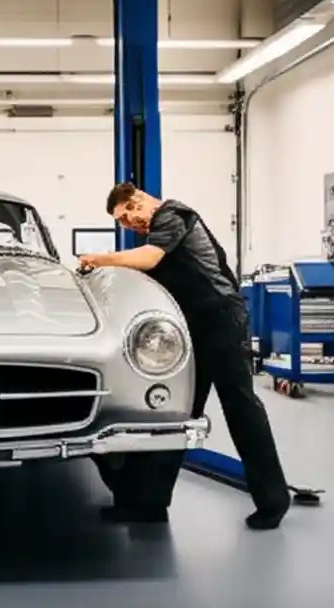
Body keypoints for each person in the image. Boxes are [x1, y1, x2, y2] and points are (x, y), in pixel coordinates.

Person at [78, 181, 292, 531]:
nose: (131, 225)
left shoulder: (172, 215)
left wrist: (98, 258)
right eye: (124, 224)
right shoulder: (157, 230)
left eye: (128, 217)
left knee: (241, 409)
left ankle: (273, 501)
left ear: (136, 202)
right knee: (174, 413)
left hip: (222, 321)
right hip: (194, 328)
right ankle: (147, 505)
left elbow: (149, 259)